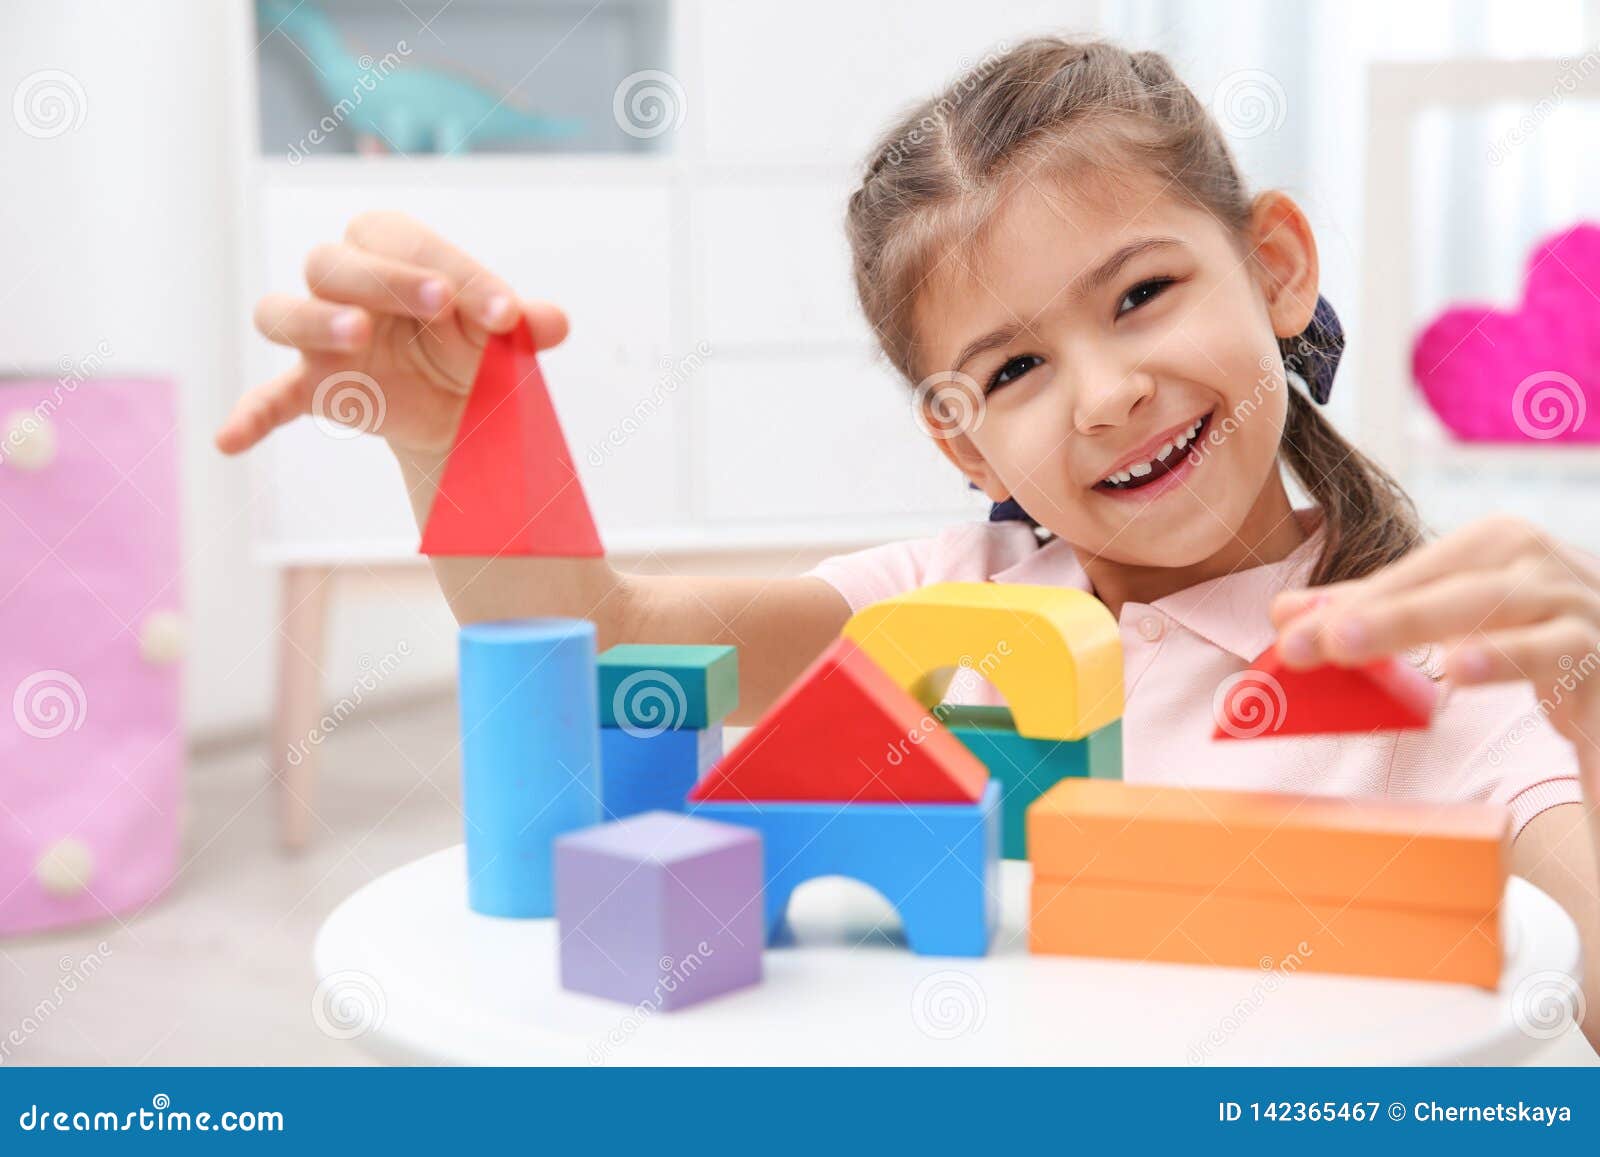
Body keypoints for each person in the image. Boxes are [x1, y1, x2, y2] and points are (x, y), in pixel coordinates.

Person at [217, 36, 1598, 1051]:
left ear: (1276, 266)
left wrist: (1587, 709)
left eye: (1142, 292)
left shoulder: (1443, 656)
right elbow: (600, 643)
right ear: (962, 444)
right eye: (1013, 371)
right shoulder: (937, 608)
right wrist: (460, 433)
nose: (1105, 393)